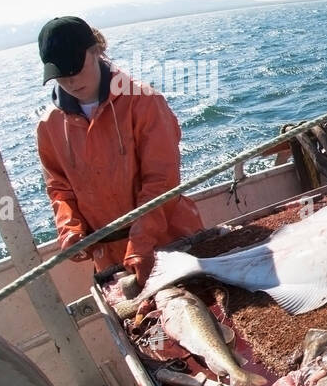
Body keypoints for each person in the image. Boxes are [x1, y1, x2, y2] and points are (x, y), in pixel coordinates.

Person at [36, 16, 203, 285]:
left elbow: (162, 180)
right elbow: (59, 189)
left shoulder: (144, 102)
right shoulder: (49, 126)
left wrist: (142, 242)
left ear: (96, 52)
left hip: (173, 243)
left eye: (75, 69)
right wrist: (71, 230)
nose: (70, 81)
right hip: (111, 262)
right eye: (60, 74)